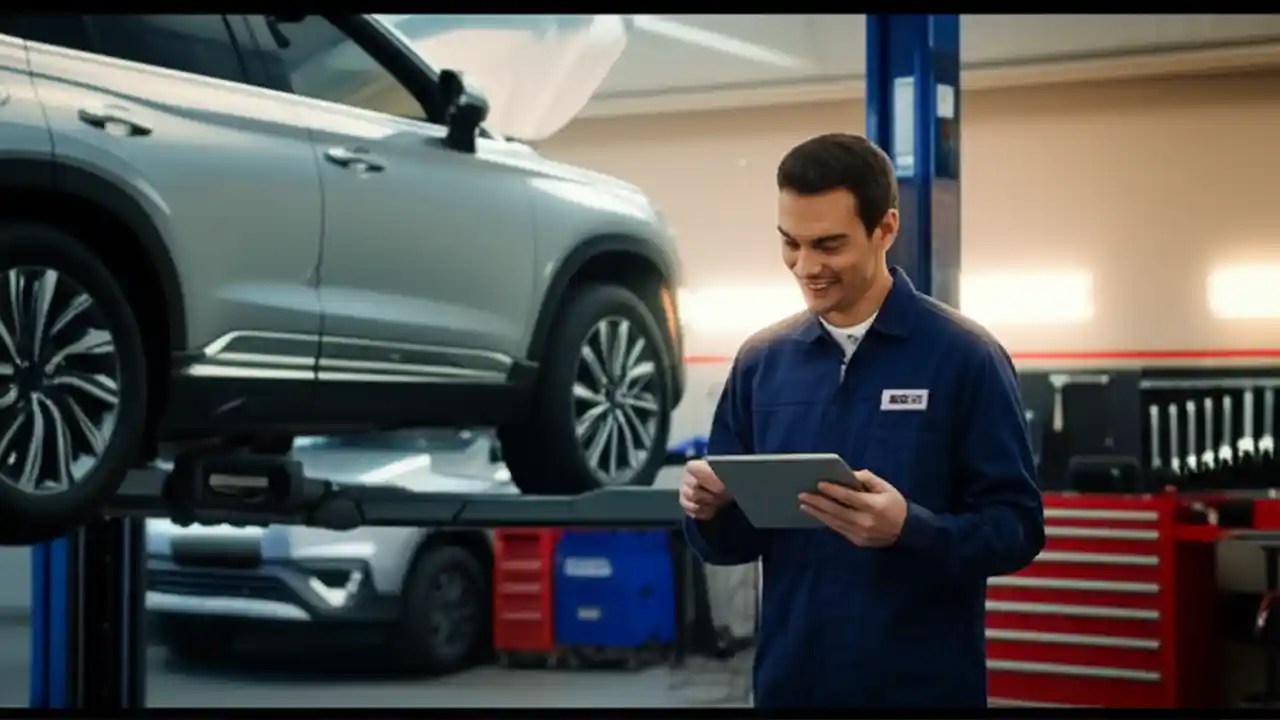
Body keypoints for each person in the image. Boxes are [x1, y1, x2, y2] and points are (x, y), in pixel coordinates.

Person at [679, 132, 1045, 710]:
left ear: (885, 229)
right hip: (793, 687)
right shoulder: (762, 363)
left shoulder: (964, 357)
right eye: (791, 243)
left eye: (829, 245)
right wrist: (709, 512)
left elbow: (1017, 528)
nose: (806, 267)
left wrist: (910, 529)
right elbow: (734, 543)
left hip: (920, 692)